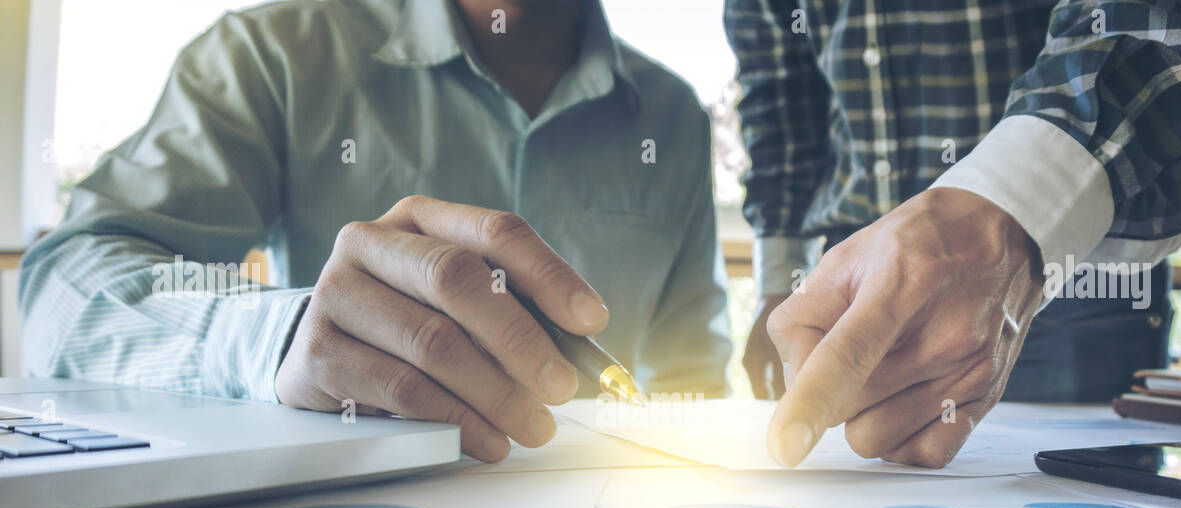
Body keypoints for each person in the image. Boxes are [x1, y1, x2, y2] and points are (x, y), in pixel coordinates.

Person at [20, 0, 730, 462]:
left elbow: (692, 378)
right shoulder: (271, 57)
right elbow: (64, 288)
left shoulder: (672, 118)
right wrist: (279, 338)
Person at [724, 0, 1181, 468]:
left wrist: (1015, 203)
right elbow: (779, 100)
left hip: (1073, 263)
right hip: (851, 275)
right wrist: (784, 282)